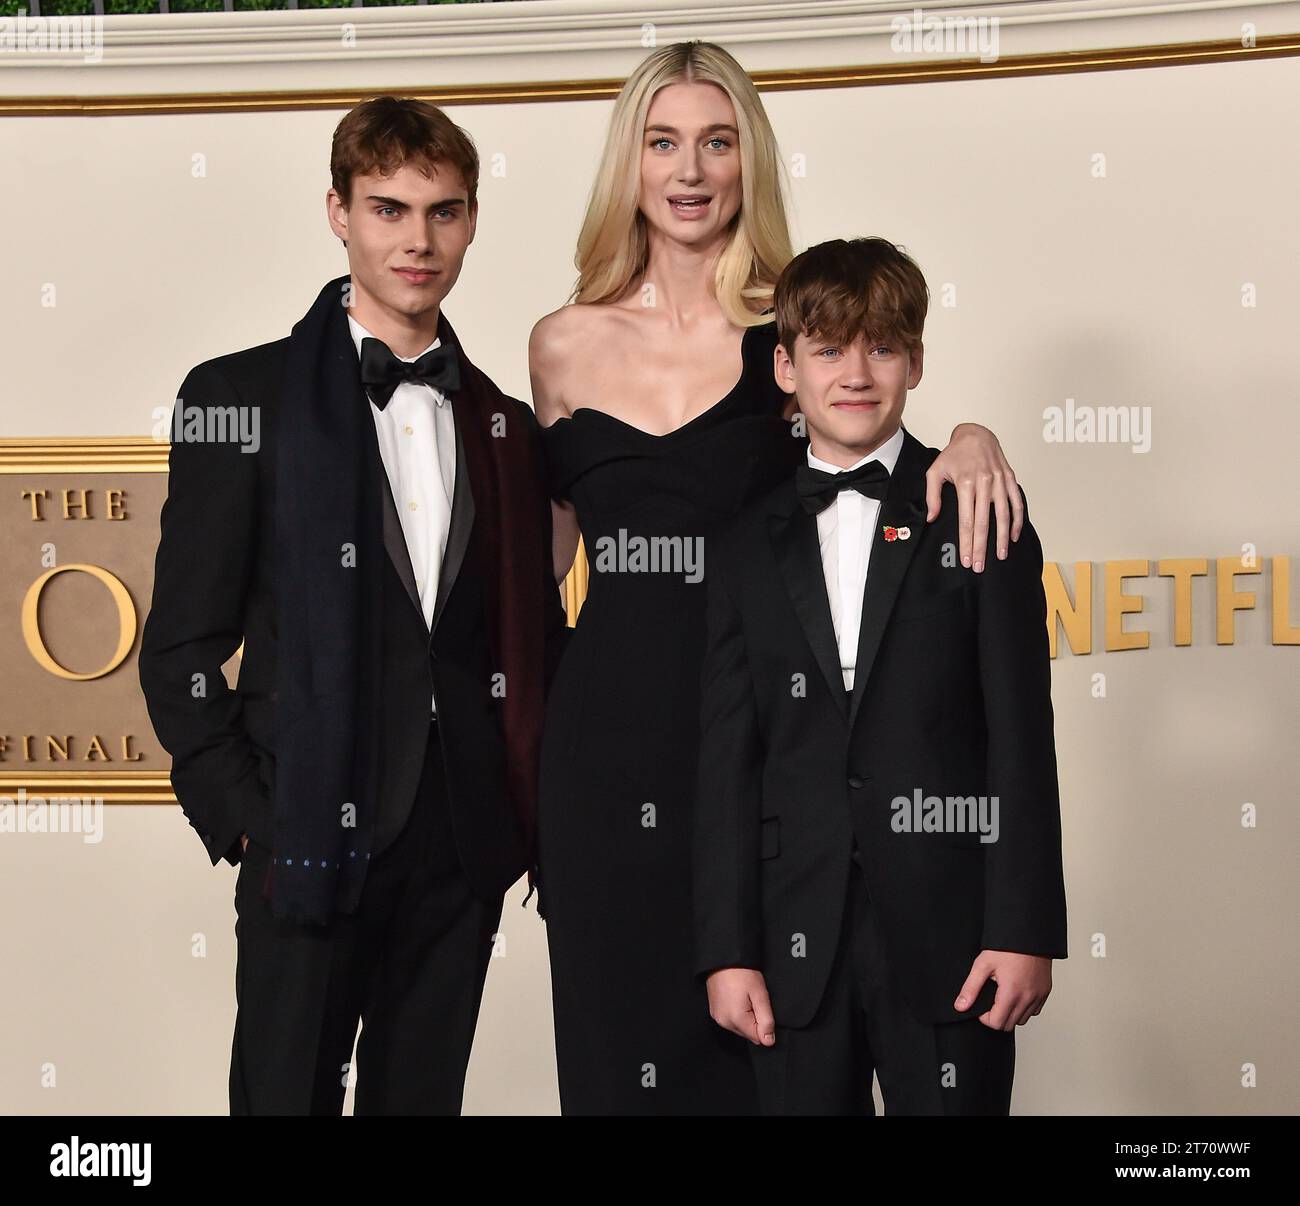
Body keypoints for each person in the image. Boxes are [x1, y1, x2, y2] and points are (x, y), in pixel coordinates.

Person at [529, 42, 1027, 1115]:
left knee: (772, 1075)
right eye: (662, 142)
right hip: (602, 766)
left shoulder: (791, 330)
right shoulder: (559, 345)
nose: (690, 169)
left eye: (717, 141)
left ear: (749, 159)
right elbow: (535, 580)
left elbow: (874, 440)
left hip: (767, 768)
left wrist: (973, 435)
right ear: (630, 163)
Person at [138, 96, 568, 1114]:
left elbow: (525, 634)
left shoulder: (502, 421)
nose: (418, 240)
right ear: (338, 212)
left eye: (445, 212)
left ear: (470, 220)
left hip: (459, 845)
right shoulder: (242, 397)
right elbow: (184, 645)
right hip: (301, 828)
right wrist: (245, 815)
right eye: (388, 209)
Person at [693, 236, 1068, 1115]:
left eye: (882, 347)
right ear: (785, 367)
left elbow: (1021, 736)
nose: (856, 373)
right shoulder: (746, 544)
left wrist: (1023, 930)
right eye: (828, 349)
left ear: (917, 361)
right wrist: (726, 949)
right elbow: (726, 761)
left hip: (953, 935)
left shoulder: (979, 512)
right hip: (789, 941)